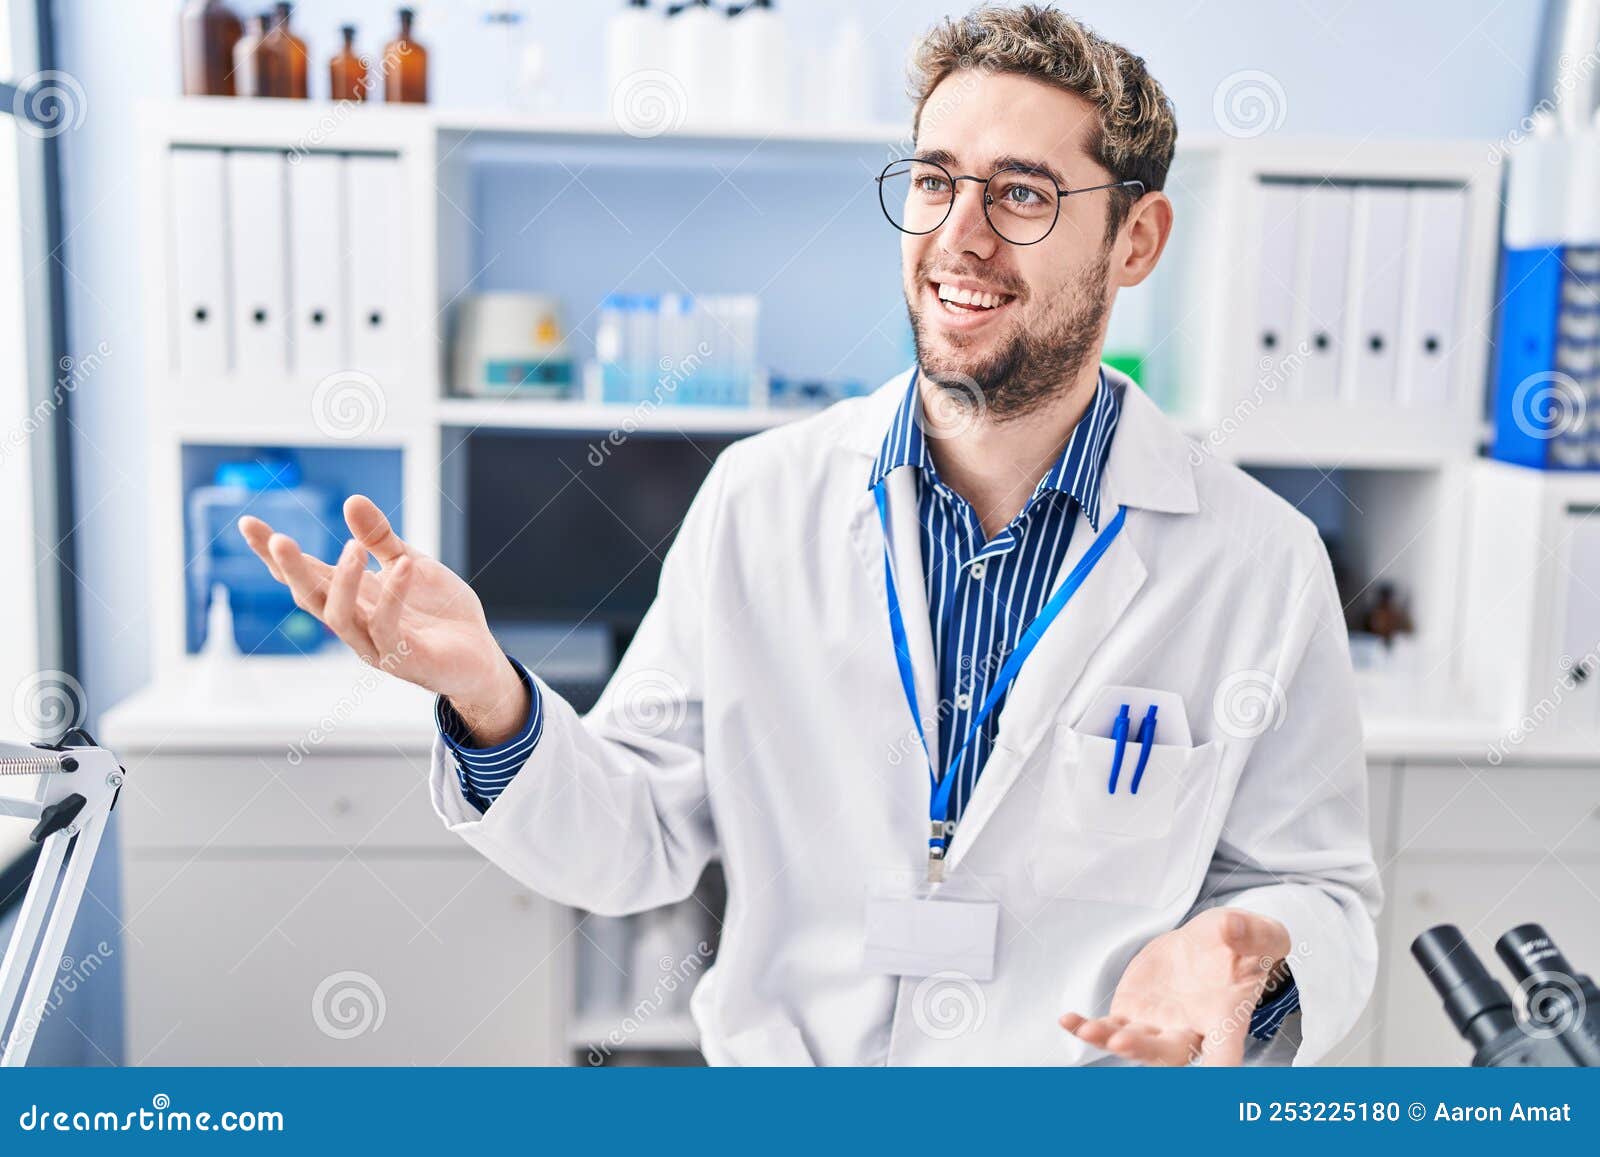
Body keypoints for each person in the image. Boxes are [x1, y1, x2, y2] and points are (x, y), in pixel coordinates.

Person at [239, 4, 1380, 1066]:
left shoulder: (1256, 560)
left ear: (1136, 238)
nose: (959, 235)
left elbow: (1321, 888)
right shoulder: (760, 497)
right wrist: (492, 696)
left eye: (1022, 194)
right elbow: (632, 837)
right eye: (933, 181)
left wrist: (1246, 952)